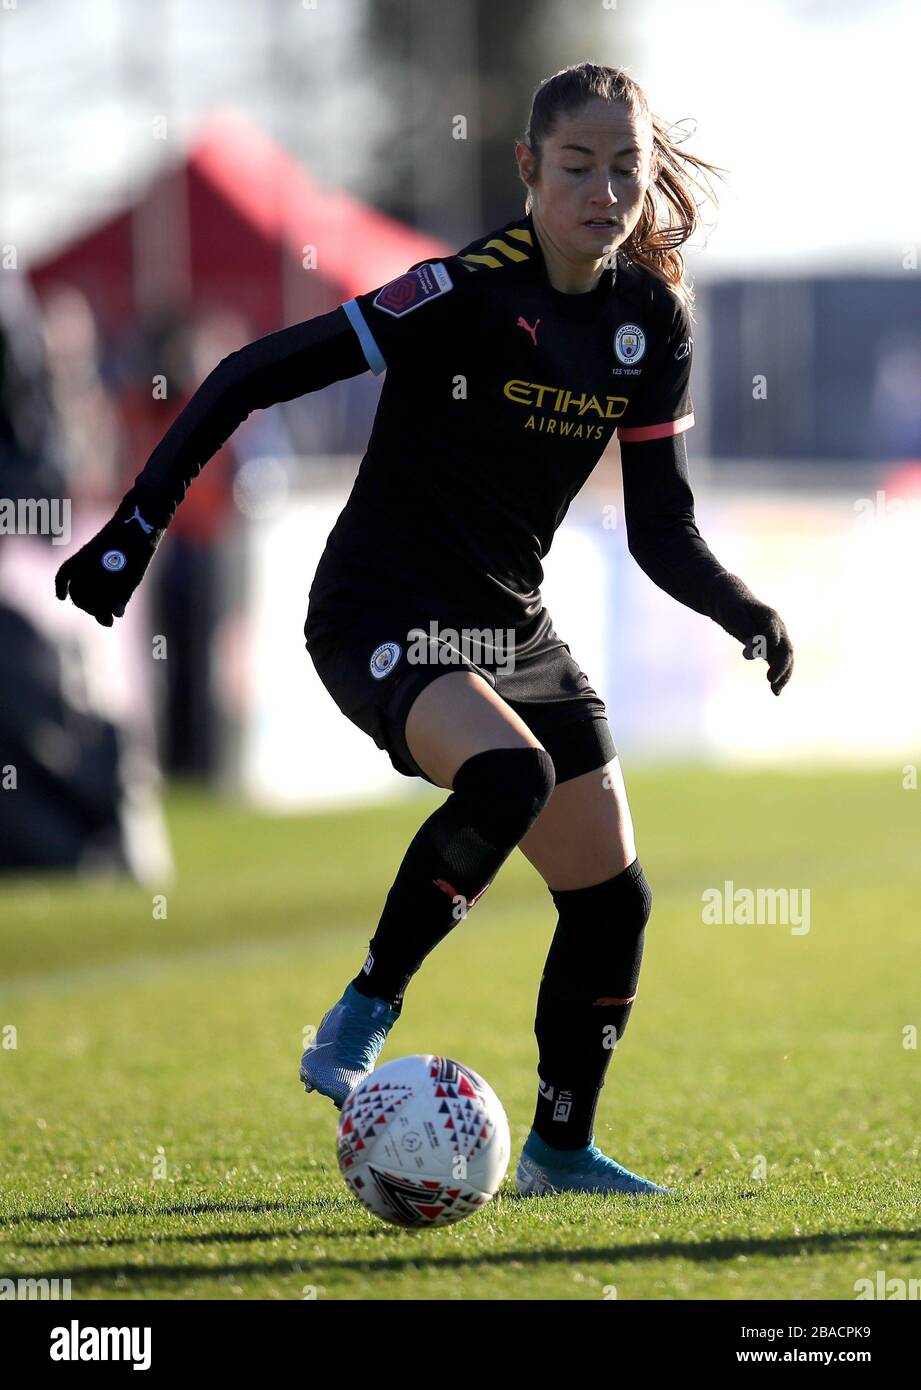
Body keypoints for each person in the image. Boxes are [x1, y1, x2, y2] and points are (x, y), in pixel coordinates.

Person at [54, 62, 793, 1198]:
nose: (605, 191)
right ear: (529, 170)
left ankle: (557, 1148)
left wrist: (741, 606)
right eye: (579, 166)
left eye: (627, 169)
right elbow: (252, 373)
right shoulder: (462, 291)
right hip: (382, 608)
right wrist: (134, 529)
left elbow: (660, 528)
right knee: (510, 775)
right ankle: (364, 1008)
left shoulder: (651, 320)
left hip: (512, 622)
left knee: (613, 900)